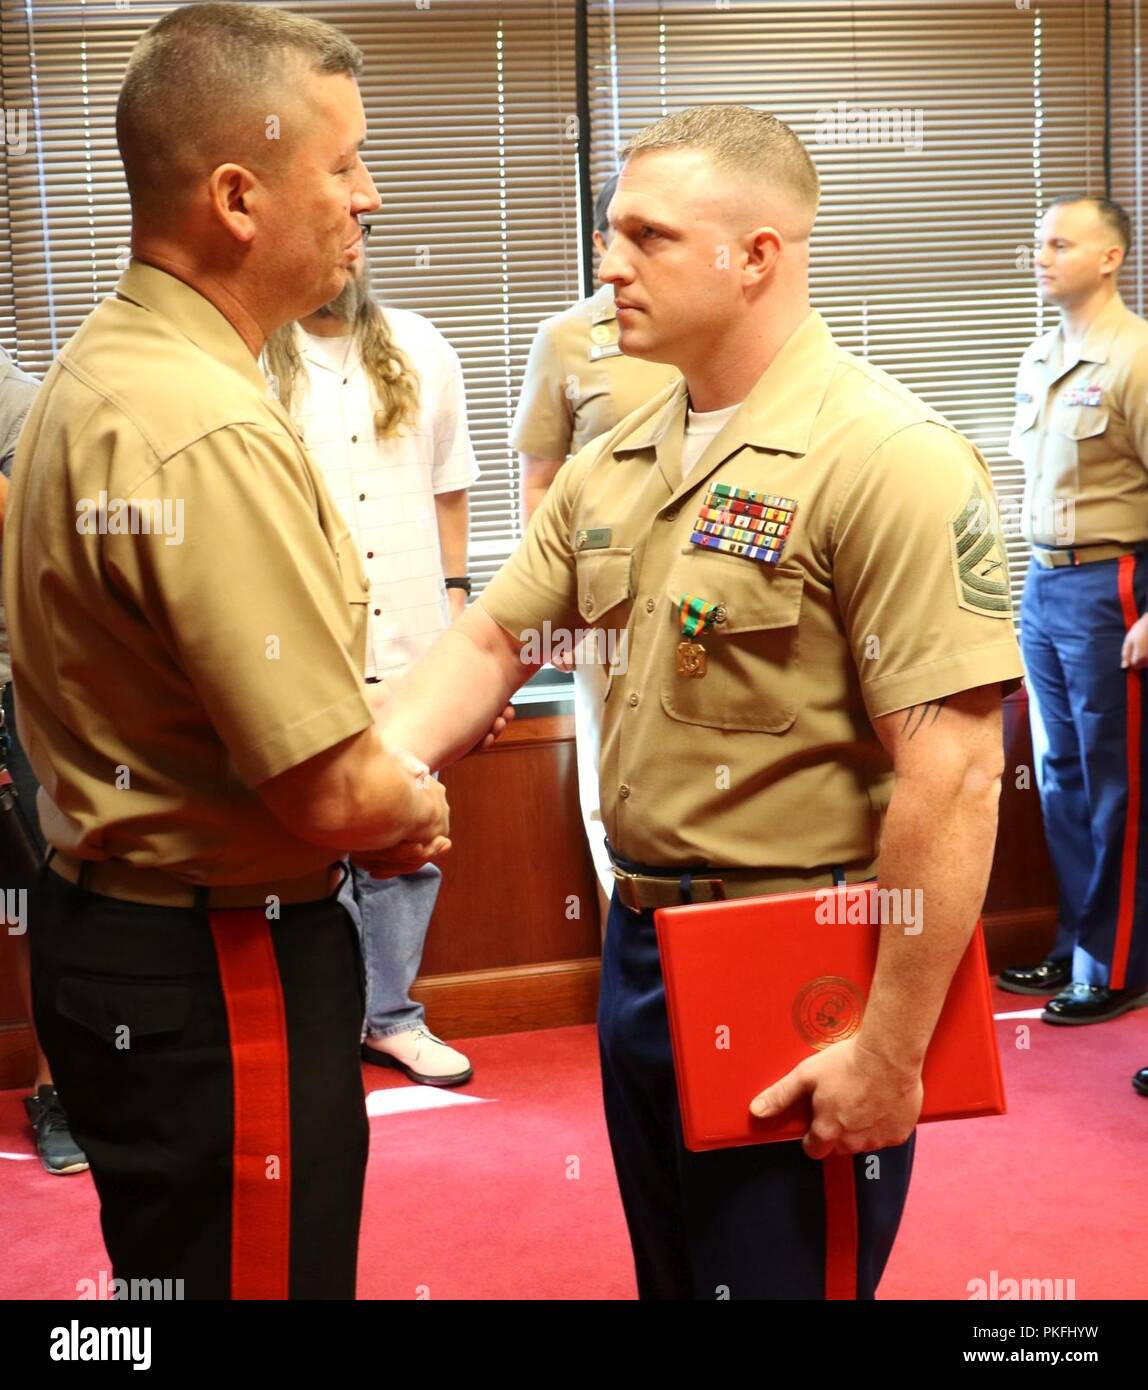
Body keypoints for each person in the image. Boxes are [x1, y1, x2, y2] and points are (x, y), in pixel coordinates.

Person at [372, 105, 1024, 1300]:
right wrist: (369, 779)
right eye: (609, 234)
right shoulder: (618, 457)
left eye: (647, 236)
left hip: (801, 954)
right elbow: (491, 640)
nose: (608, 264)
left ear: (755, 255)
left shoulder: (888, 456)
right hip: (641, 946)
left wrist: (889, 1049)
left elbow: (956, 770)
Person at [3, 3, 454, 1299]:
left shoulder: (105, 364)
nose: (370, 196)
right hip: (219, 960)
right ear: (237, 197)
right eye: (343, 163)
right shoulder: (200, 422)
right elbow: (330, 793)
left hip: (121, 930)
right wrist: (412, 806)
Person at [263, 244, 477, 1086]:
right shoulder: (251, 360)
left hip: (417, 644)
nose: (342, 258)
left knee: (404, 834)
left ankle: (390, 1017)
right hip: (308, 649)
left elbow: (449, 491)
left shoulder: (424, 347)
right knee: (315, 839)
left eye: (354, 244)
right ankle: (325, 1022)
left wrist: (456, 610)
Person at [998, 195, 1148, 1029]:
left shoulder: (1137, 356)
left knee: (1115, 784)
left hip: (1112, 584)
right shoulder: (1043, 354)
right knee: (1060, 780)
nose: (1042, 256)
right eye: (1039, 242)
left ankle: (1118, 965)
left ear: (1110, 257)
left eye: (1060, 243)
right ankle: (1077, 940)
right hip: (1045, 583)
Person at [512, 175, 678, 928]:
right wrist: (559, 609)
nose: (638, 255)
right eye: (627, 235)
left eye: (659, 236)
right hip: (606, 601)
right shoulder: (567, 339)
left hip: (709, 597)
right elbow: (541, 483)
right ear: (599, 242)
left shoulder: (713, 333)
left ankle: (712, 956)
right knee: (610, 784)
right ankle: (634, 949)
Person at [0, 344, 87, 1175]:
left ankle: (56, 1087)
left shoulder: (24, 407)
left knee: (37, 900)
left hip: (14, 691)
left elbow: (33, 540)